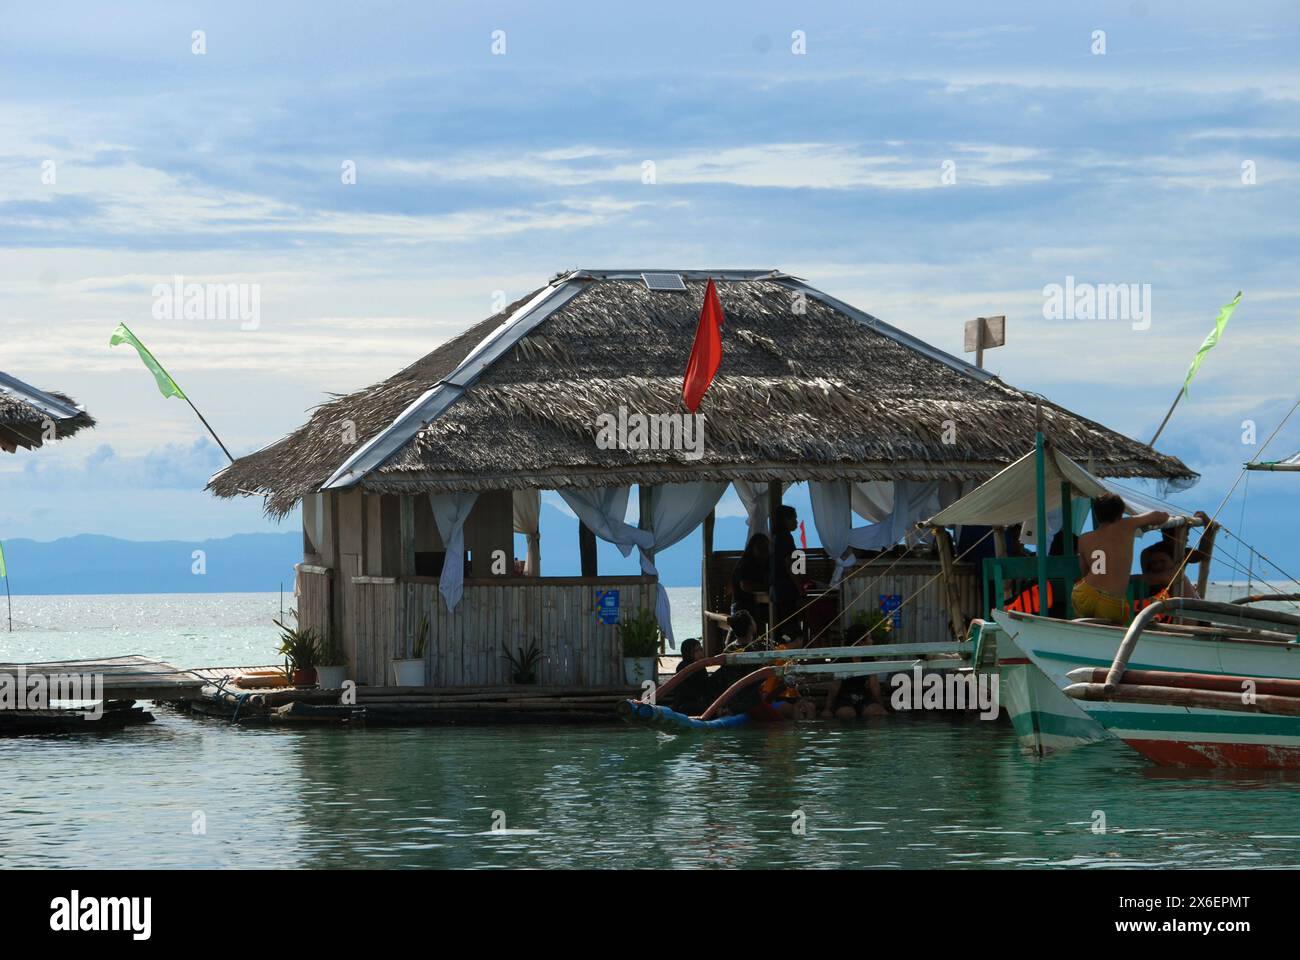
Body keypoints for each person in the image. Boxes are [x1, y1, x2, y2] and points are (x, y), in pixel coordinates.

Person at [1072, 493, 1169, 624]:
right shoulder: (1126, 525)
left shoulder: (1084, 539)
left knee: (1084, 622)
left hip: (1085, 592)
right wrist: (1166, 516)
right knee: (1113, 627)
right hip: (1111, 600)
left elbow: (1084, 572)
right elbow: (1158, 516)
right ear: (1120, 514)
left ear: (1096, 514)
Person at [771, 504, 802, 641]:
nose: (796, 522)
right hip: (786, 588)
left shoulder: (775, 537)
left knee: (782, 622)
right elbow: (789, 565)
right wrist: (800, 587)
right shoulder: (785, 538)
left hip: (778, 588)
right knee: (789, 624)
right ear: (785, 520)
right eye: (793, 519)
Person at [730, 533, 770, 620]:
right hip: (741, 607)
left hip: (755, 605)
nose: (763, 550)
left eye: (766, 548)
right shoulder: (746, 564)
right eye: (760, 547)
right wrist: (767, 587)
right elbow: (746, 586)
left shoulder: (763, 563)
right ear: (752, 548)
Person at [670, 637, 714, 716]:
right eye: (696, 651)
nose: (700, 653)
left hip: (698, 703)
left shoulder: (700, 667)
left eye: (701, 650)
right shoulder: (683, 667)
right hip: (685, 707)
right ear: (687, 653)